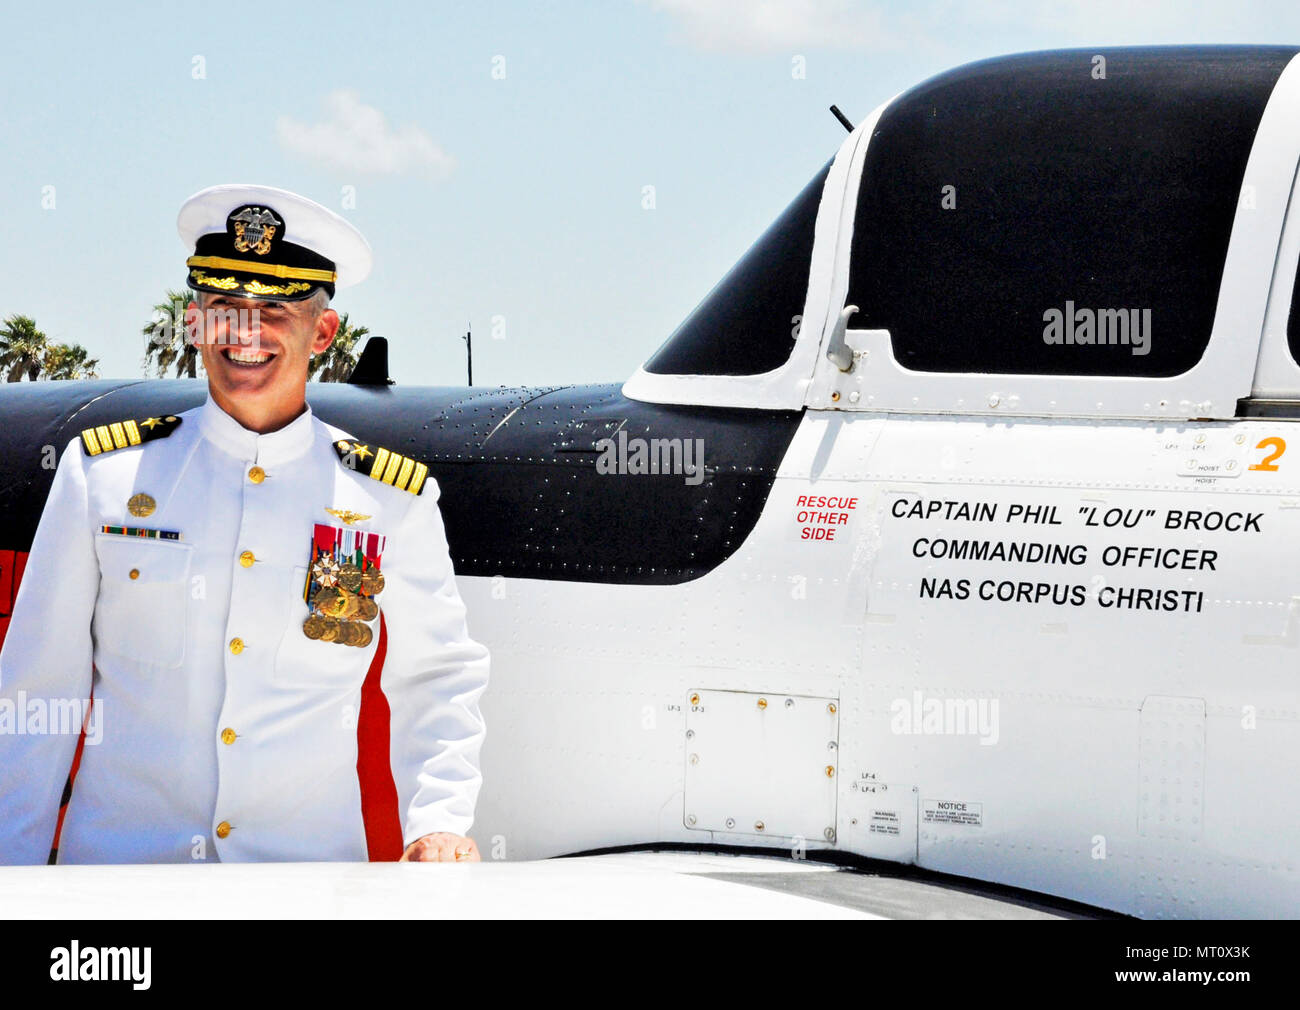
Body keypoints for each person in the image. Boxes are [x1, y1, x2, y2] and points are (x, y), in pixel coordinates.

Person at [0, 185, 489, 864]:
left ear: (323, 332)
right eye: (224, 308)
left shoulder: (389, 500)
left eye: (275, 310)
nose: (244, 334)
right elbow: (36, 691)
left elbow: (436, 676)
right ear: (196, 323)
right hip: (121, 886)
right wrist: (10, 877)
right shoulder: (103, 476)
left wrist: (435, 820)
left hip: (304, 888)